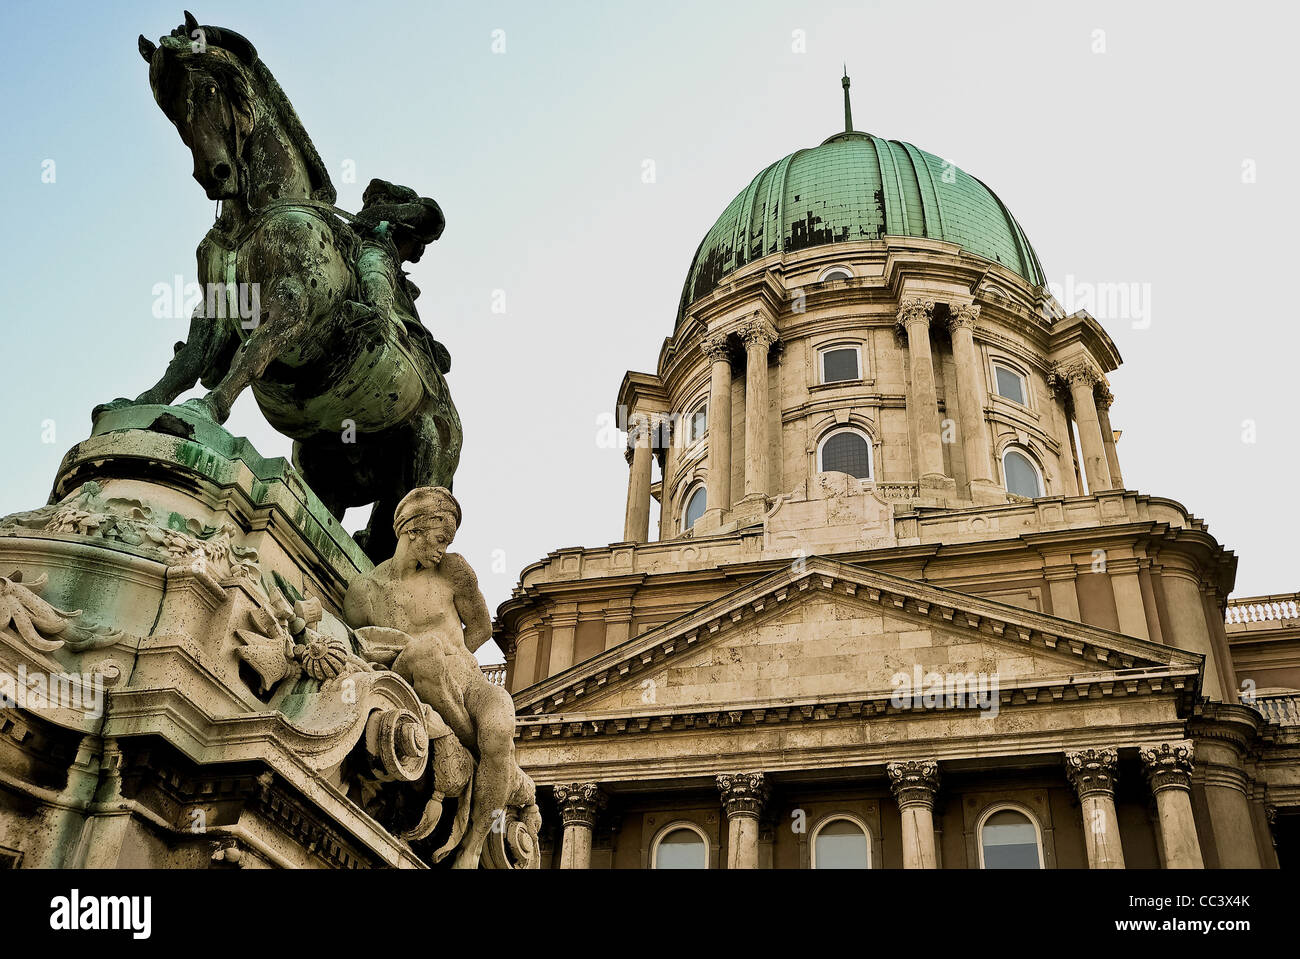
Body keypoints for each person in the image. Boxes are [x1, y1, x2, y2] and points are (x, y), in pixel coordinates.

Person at [342, 486, 523, 869]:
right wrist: (429, 656)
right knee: (425, 653)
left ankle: (473, 849)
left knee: (501, 720)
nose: (444, 549)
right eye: (440, 539)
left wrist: (454, 657)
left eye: (449, 541)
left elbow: (481, 628)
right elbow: (363, 646)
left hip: (465, 677)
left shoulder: (453, 570)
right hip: (412, 672)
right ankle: (478, 753)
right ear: (412, 529)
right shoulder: (366, 591)